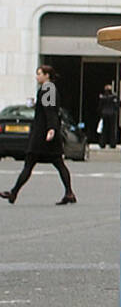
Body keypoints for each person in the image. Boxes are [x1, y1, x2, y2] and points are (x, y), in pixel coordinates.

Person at [2, 65, 76, 206]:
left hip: (43, 134)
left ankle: (14, 192)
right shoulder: (48, 89)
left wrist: (51, 129)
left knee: (32, 163)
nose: (37, 77)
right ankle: (69, 192)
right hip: (45, 132)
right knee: (57, 163)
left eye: (39, 74)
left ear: (47, 75)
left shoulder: (48, 88)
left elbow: (50, 110)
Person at [97, 82, 120, 149]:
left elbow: (100, 106)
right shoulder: (114, 97)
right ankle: (112, 143)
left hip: (105, 114)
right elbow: (117, 105)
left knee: (104, 129)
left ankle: (102, 143)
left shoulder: (103, 98)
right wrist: (116, 110)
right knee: (112, 130)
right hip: (112, 114)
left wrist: (100, 112)